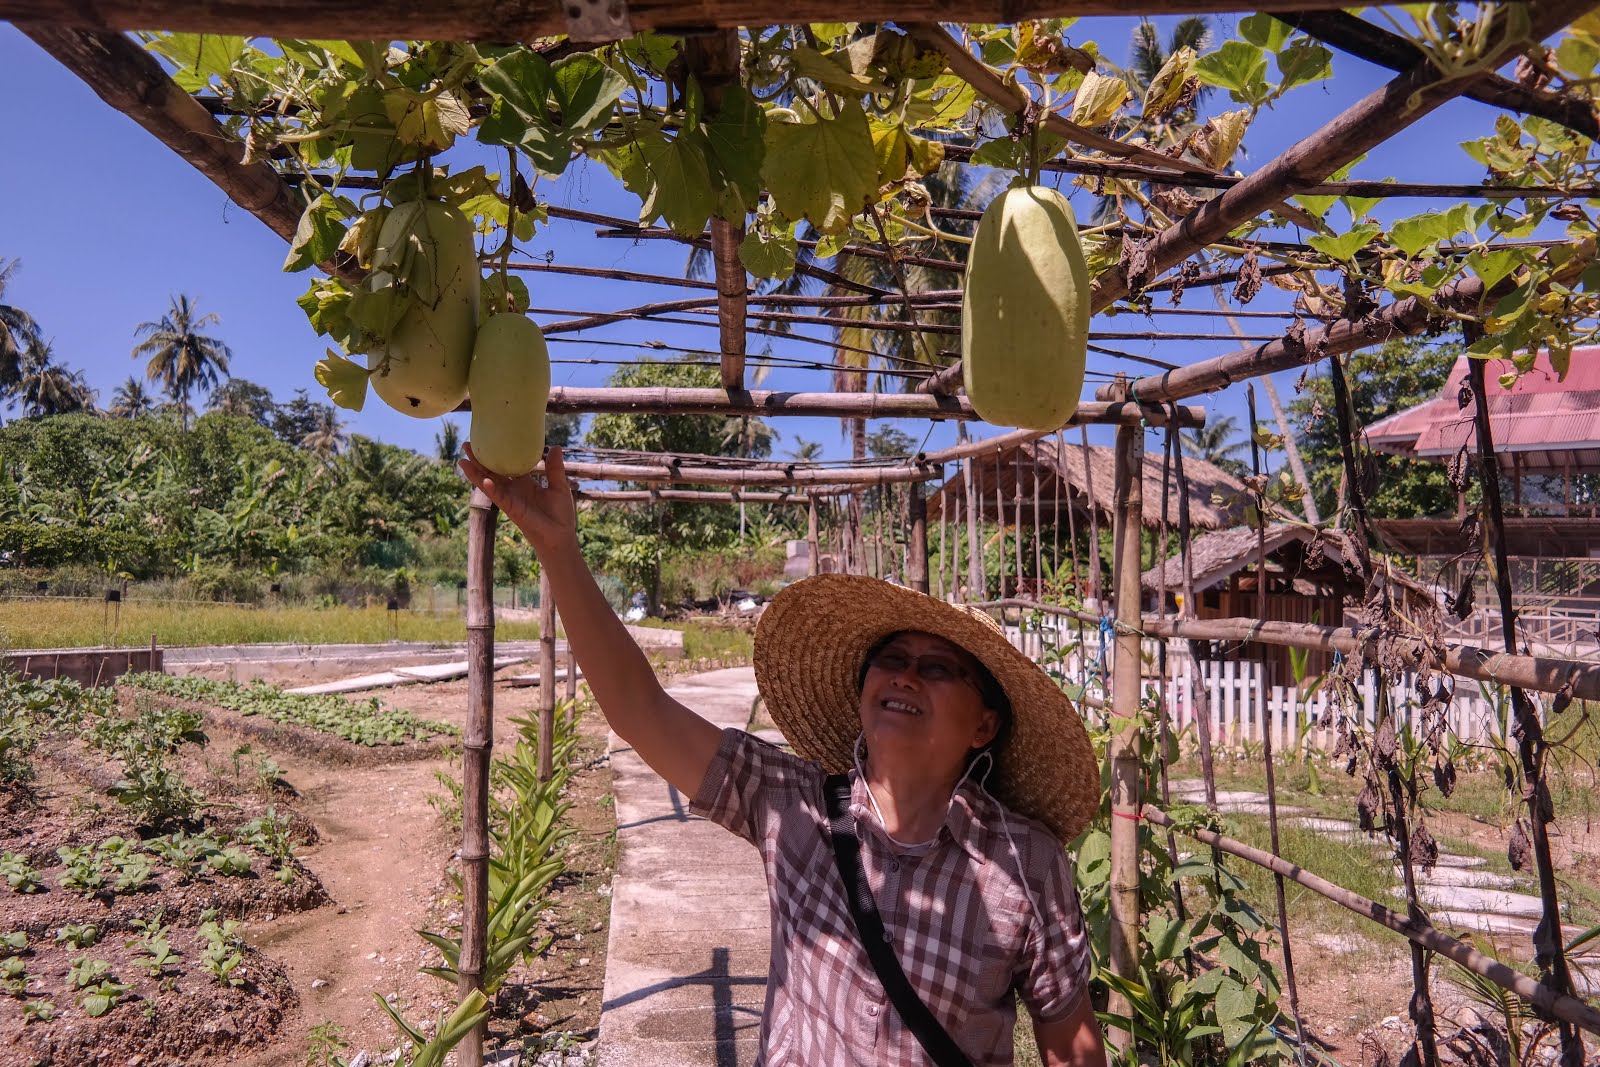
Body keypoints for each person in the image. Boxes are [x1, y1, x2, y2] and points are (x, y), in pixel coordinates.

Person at [461, 446, 1107, 1067]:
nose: (905, 676)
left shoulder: (1026, 865)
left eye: (938, 667)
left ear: (984, 723)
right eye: (889, 660)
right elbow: (640, 709)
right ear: (863, 694)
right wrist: (558, 550)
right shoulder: (792, 805)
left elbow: (1071, 1046)